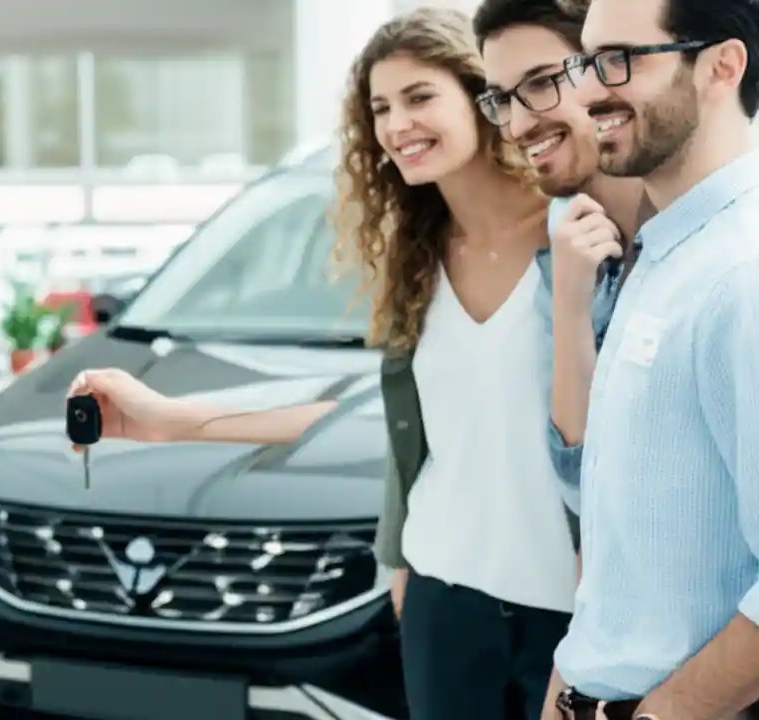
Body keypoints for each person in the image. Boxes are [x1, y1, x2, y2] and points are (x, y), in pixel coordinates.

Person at [67, 8, 579, 719]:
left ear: (479, 95)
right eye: (380, 107)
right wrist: (165, 418)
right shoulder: (416, 260)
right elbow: (369, 424)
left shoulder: (574, 235)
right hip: (442, 599)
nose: (398, 124)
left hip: (568, 612)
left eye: (420, 96)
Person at [539, 0, 759, 718]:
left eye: (619, 60)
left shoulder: (743, 272)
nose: (587, 90)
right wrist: (571, 687)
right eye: (586, 61)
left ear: (721, 67)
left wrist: (657, 714)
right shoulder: (666, 250)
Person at [473, 0, 652, 517]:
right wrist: (571, 307)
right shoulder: (564, 244)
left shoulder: (704, 237)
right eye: (503, 99)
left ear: (603, 72)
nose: (518, 124)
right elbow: (579, 486)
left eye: (541, 82)